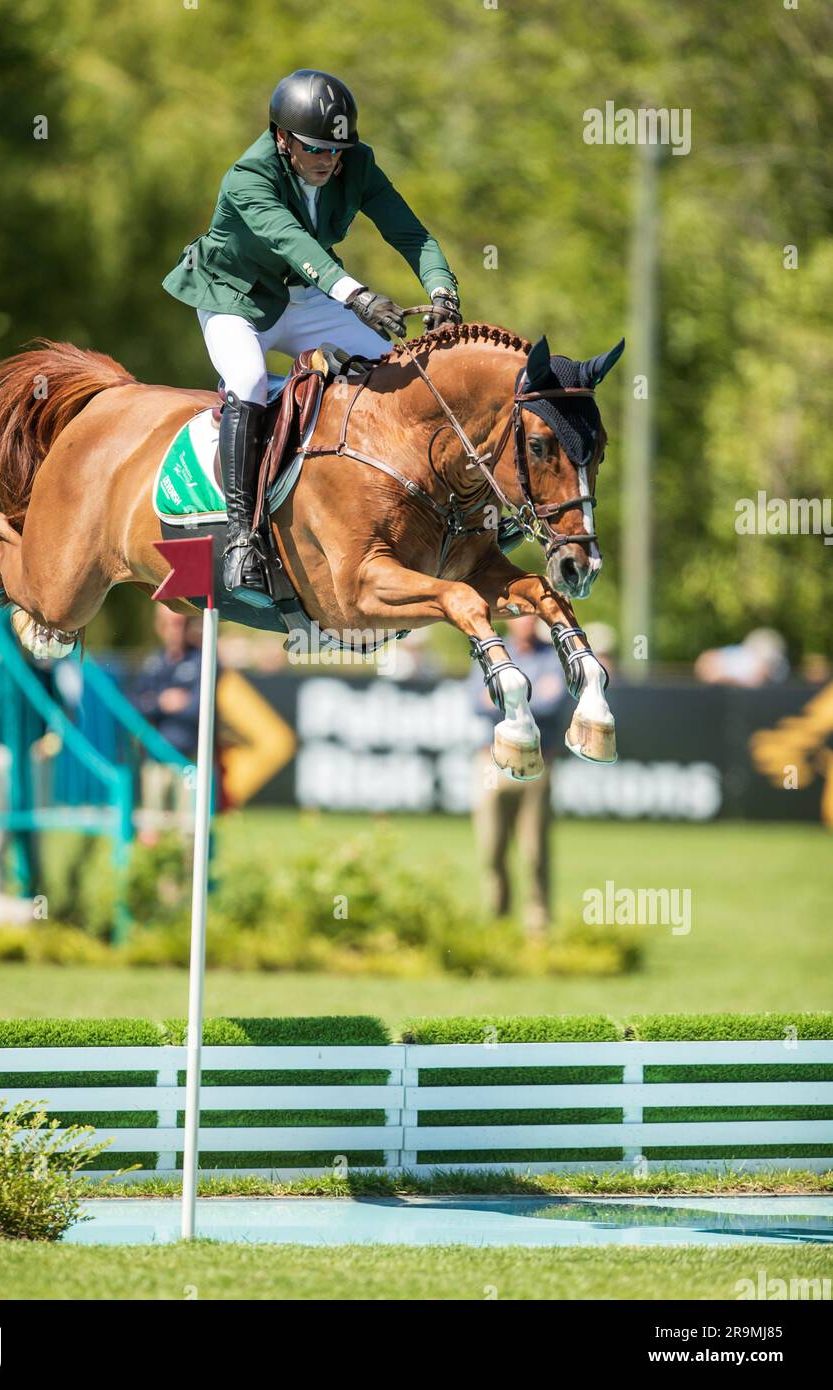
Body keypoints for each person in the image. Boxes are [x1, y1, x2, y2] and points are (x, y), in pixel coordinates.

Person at [162, 68, 461, 602]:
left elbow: (411, 234)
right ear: (282, 138)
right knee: (250, 381)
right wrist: (359, 296)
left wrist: (443, 293)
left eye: (336, 150)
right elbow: (295, 243)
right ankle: (241, 538)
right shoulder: (247, 178)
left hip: (303, 297)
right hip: (236, 299)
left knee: (401, 367)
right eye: (314, 148)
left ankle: (449, 505)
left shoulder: (356, 164)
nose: (327, 161)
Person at [471, 615, 566, 936]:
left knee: (534, 850)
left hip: (536, 760)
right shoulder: (490, 654)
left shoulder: (552, 658)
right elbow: (476, 701)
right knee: (490, 848)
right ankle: (497, 918)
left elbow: (553, 702)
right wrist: (529, 696)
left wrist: (507, 698)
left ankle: (538, 923)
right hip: (493, 762)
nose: (525, 622)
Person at [132, 608, 206, 815]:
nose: (175, 630)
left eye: (179, 623)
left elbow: (198, 707)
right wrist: (163, 703)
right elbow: (137, 706)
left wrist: (156, 703)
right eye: (169, 623)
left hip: (189, 758)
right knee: (152, 825)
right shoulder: (153, 662)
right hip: (156, 757)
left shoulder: (202, 660)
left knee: (189, 827)